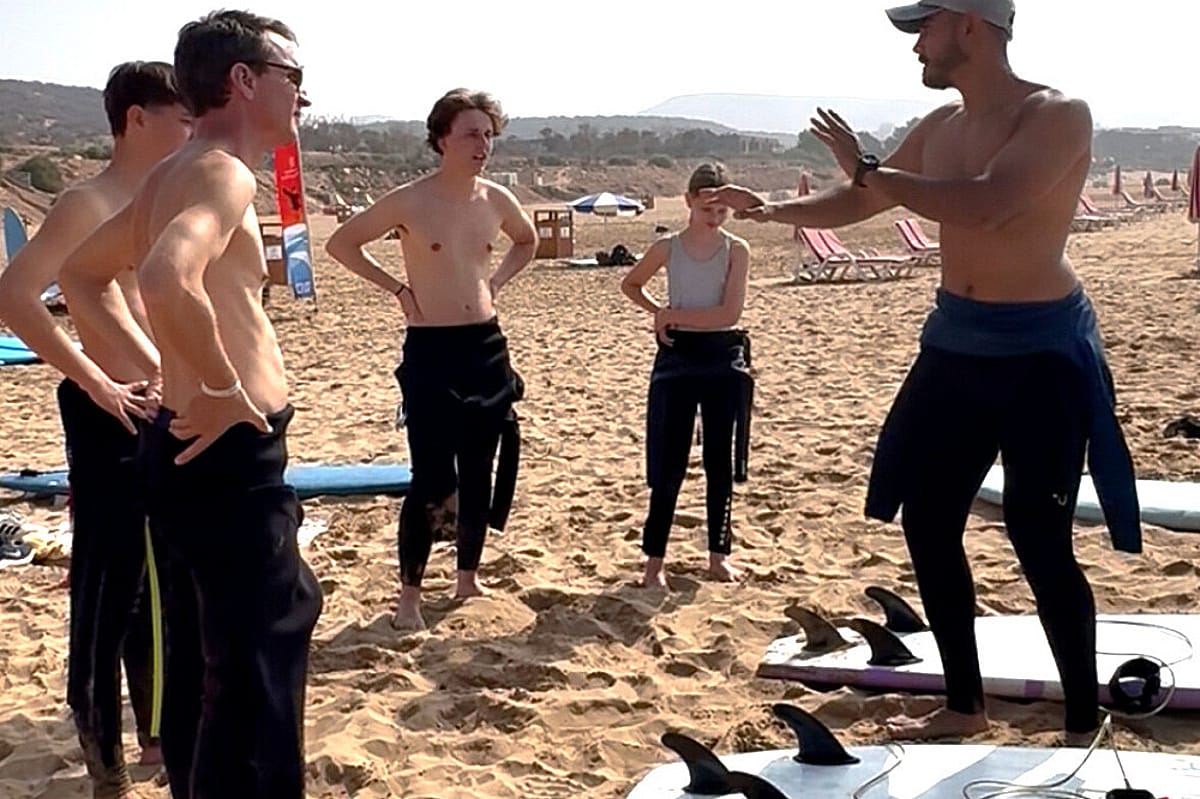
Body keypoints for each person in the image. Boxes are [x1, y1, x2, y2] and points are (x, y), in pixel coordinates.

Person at [706, 0, 1140, 744]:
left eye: (924, 28)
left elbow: (991, 206)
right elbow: (862, 196)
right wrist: (774, 208)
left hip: (1040, 355)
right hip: (957, 346)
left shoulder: (1058, 114)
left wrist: (875, 172)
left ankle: (1080, 719)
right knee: (930, 520)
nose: (915, 47)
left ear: (971, 24)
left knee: (1041, 538)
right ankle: (965, 705)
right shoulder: (940, 129)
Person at [59, 11, 322, 797]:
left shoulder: (174, 171)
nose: (302, 99)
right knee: (258, 670)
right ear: (244, 81)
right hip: (229, 452)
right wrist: (213, 384)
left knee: (221, 668)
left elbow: (81, 276)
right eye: (293, 79)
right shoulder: (222, 171)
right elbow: (167, 277)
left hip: (189, 447)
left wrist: (166, 371)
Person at [0, 61, 192, 798]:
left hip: (159, 405)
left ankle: (152, 737)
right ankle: (100, 743)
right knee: (109, 584)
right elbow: (16, 295)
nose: (188, 131)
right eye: (178, 118)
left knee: (157, 577)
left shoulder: (167, 199)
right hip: (108, 409)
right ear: (136, 119)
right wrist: (95, 379)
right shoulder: (91, 200)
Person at [326, 88, 535, 631]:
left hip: (486, 345)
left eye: (489, 135)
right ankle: (410, 597)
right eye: (471, 133)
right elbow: (343, 245)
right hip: (432, 350)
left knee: (479, 470)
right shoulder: (409, 201)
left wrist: (498, 281)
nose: (482, 144)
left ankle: (468, 576)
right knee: (430, 477)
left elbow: (527, 241)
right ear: (442, 138)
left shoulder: (495, 199)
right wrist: (398, 290)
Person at [620, 163, 753, 589]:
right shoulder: (668, 247)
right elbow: (631, 284)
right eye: (707, 208)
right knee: (668, 462)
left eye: (721, 211)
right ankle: (653, 564)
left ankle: (718, 556)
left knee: (719, 460)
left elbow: (729, 313)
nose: (714, 217)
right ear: (690, 202)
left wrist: (672, 314)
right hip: (677, 356)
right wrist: (658, 312)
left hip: (722, 353)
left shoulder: (737, 250)